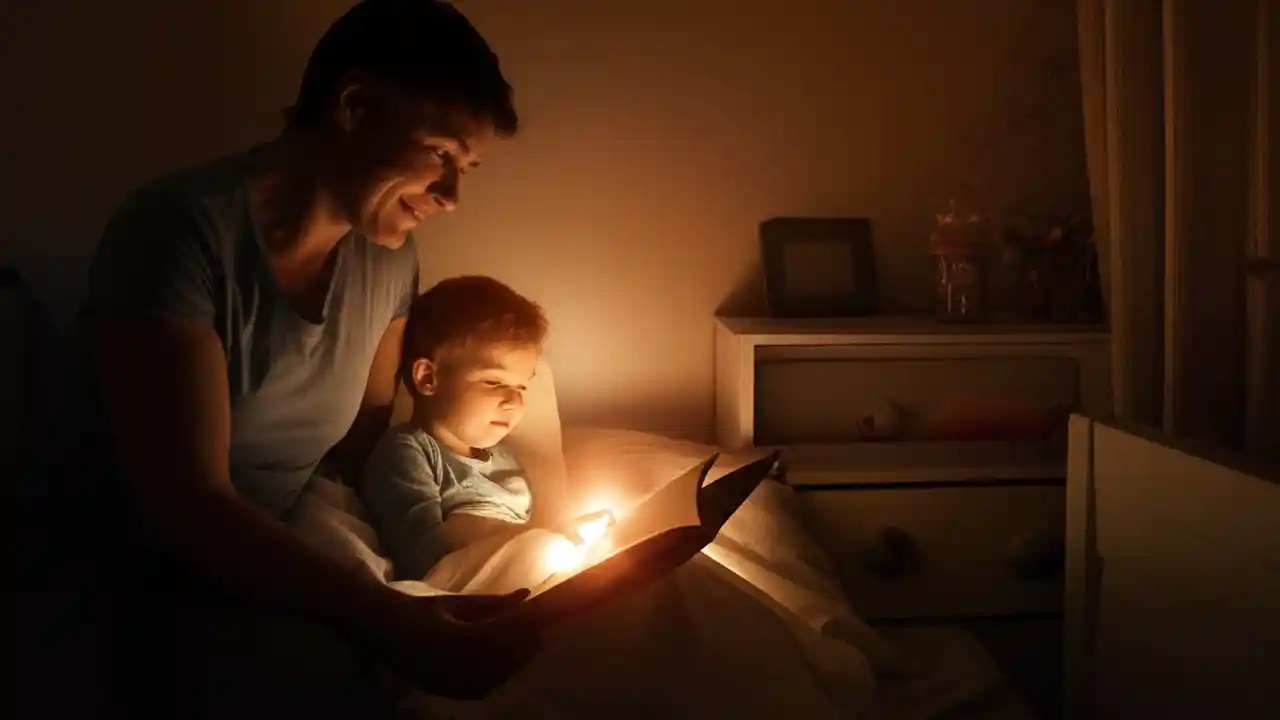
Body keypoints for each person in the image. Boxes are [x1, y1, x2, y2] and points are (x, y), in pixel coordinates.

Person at [75, 1, 539, 715]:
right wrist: (383, 615)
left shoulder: (389, 263)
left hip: (292, 543)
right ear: (354, 107)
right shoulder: (177, 234)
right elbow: (188, 506)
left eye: (467, 168)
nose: (451, 196)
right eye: (442, 155)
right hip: (165, 570)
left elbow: (365, 440)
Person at [360, 276, 550, 581]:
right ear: (428, 378)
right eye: (494, 382)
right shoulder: (409, 452)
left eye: (522, 387)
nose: (513, 401)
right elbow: (421, 554)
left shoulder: (506, 461)